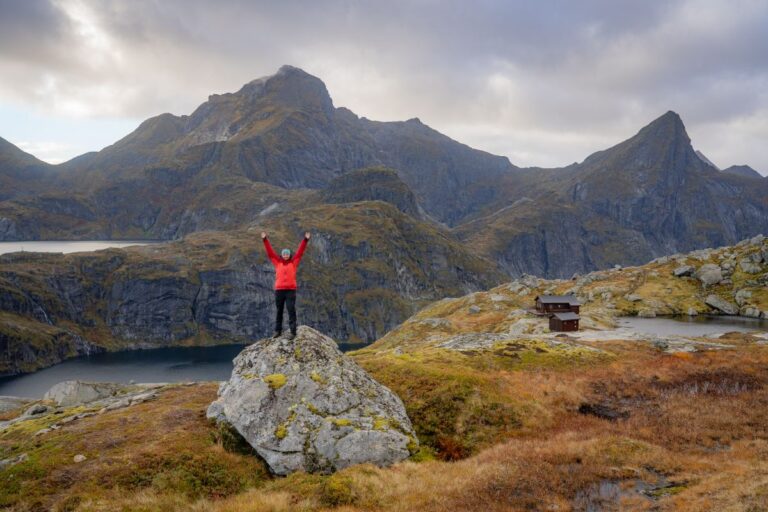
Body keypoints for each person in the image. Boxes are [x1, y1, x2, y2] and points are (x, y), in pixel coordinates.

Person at [261, 230, 310, 340]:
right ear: (281, 255)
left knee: (291, 310)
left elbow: (300, 252)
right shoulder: (277, 262)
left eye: (287, 254)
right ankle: (278, 331)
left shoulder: (294, 262)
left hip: (290, 290)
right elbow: (270, 252)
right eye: (284, 254)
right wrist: (265, 240)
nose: (286, 255)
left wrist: (305, 240)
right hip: (279, 290)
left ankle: (293, 331)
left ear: (289, 255)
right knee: (279, 311)